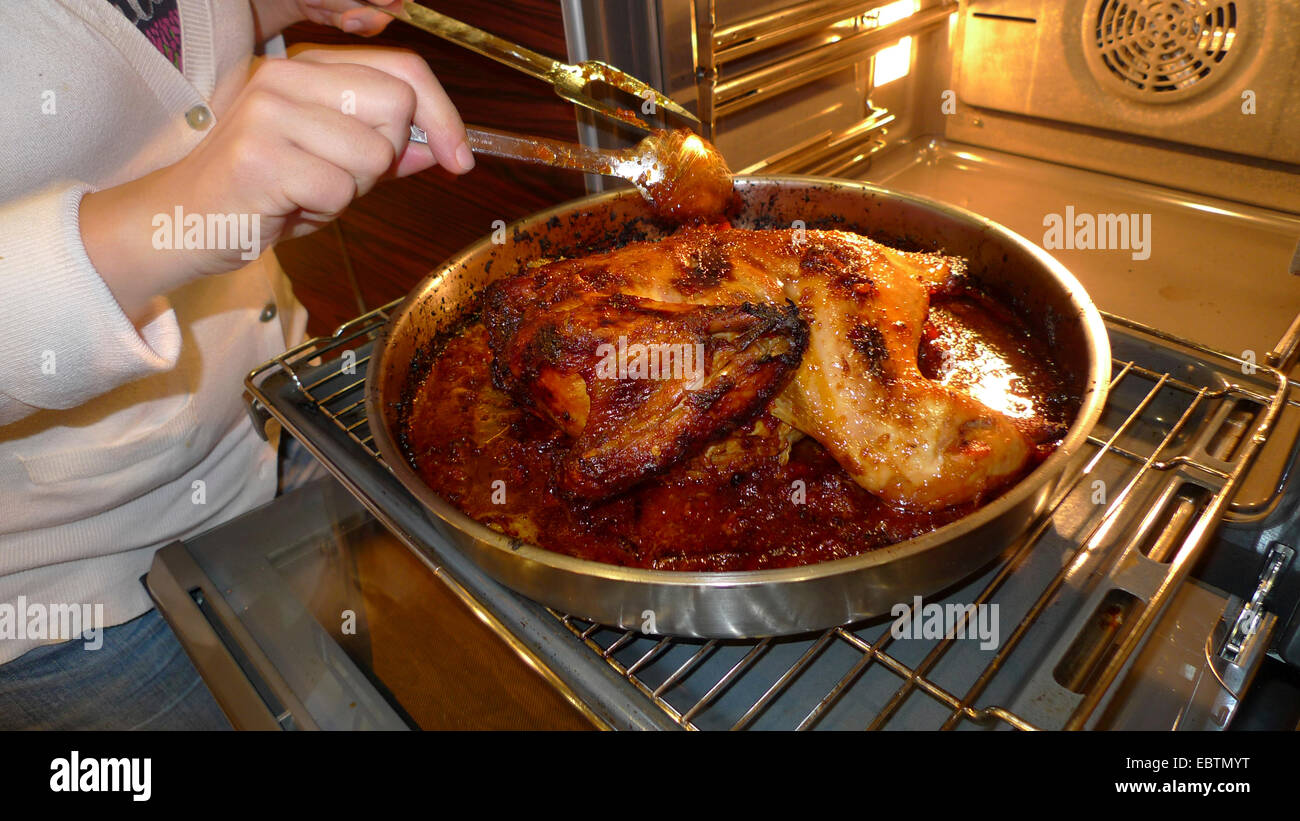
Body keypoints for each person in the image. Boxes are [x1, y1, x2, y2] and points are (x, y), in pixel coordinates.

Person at [0, 0, 473, 729]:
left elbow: (146, 39)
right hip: (91, 599)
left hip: (280, 416)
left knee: (344, 695)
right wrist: (172, 217)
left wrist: (272, 9)